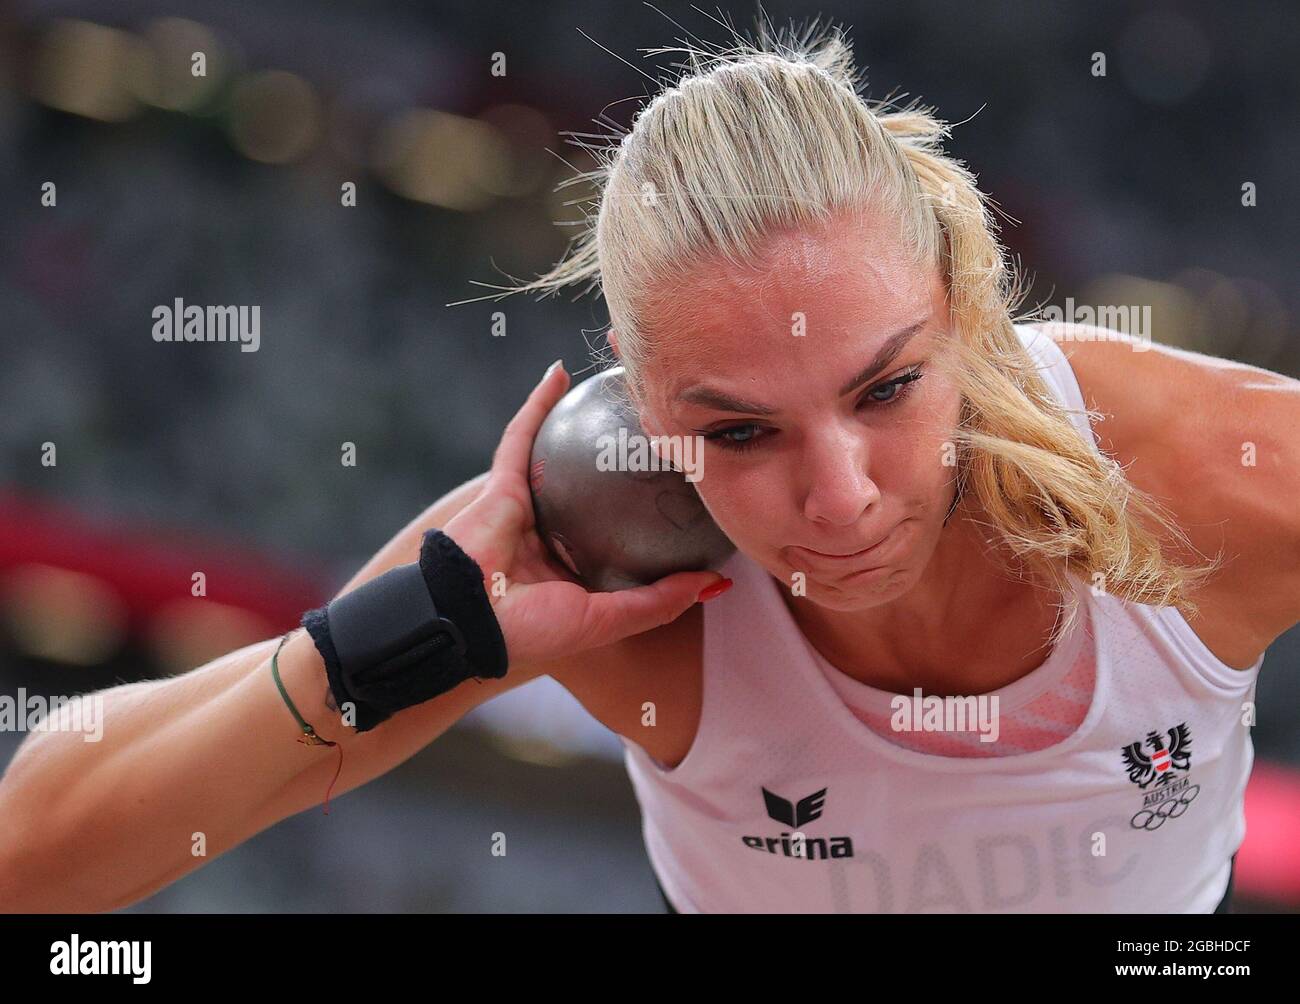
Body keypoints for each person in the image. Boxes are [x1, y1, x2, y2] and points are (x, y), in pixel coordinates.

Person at [1, 28, 1296, 914]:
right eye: (737, 431)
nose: (838, 497)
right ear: (636, 385)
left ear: (961, 303)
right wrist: (411, 643)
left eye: (886, 388)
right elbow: (36, 854)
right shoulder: (599, 544)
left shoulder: (1204, 479)